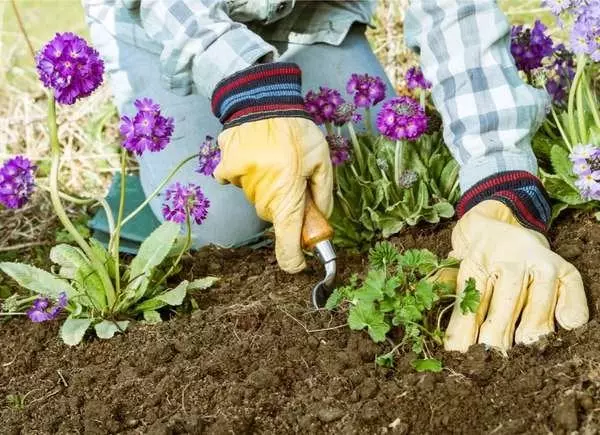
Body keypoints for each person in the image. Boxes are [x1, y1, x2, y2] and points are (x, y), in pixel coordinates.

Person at [83, 0, 589, 352]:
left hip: (308, 16)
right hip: (164, 22)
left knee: (364, 150)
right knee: (218, 216)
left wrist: (500, 193)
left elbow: (457, 19)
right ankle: (141, 194)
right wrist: (251, 95)